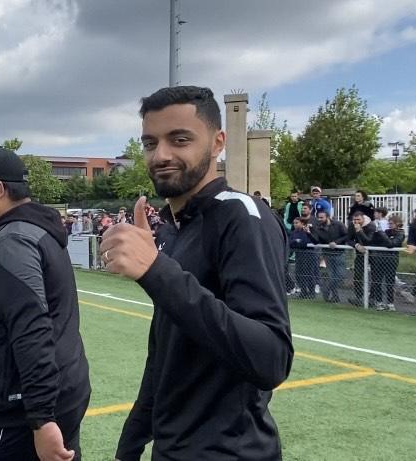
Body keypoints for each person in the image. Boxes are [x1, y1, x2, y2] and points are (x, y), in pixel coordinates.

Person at [99, 86, 292, 460]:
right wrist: (132, 443)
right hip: (173, 448)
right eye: (150, 143)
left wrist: (156, 270)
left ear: (218, 143)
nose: (161, 155)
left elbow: (271, 358)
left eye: (180, 139)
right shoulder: (176, 228)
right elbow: (166, 354)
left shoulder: (241, 216)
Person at [0, 146, 91, 461]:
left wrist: (41, 418)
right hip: (50, 397)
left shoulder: (13, 241)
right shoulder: (38, 231)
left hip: (11, 415)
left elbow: (32, 330)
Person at [346, 213, 386, 306]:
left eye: (358, 219)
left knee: (375, 276)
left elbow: (368, 240)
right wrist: (356, 245)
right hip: (360, 253)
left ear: (363, 219)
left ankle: (373, 298)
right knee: (358, 275)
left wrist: (360, 231)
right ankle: (360, 297)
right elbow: (348, 239)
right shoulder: (352, 225)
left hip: (374, 253)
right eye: (354, 220)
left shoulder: (371, 225)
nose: (356, 222)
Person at [310, 210, 348, 303]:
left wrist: (336, 242)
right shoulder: (318, 227)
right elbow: (316, 241)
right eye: (318, 217)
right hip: (327, 254)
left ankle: (326, 289)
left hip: (339, 253)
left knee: (340, 275)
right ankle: (335, 297)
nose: (320, 219)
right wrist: (309, 233)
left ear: (327, 217)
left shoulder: (338, 224)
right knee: (332, 275)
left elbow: (347, 236)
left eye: (322, 217)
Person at [378, 214, 405, 311]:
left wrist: (383, 235)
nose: (389, 225)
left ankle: (390, 303)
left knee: (389, 282)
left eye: (391, 223)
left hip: (392, 259)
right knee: (378, 281)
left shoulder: (401, 233)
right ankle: (379, 302)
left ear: (398, 224)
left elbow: (391, 244)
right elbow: (382, 242)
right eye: (389, 223)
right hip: (381, 258)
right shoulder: (387, 232)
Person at [289, 218, 317, 299]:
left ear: (302, 223)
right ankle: (303, 291)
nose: (295, 224)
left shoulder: (308, 231)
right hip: (299, 255)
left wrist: (298, 242)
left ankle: (311, 293)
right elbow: (290, 242)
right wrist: (296, 241)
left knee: (309, 274)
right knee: (299, 274)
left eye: (297, 223)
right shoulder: (294, 232)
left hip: (309, 255)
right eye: (294, 223)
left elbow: (306, 242)